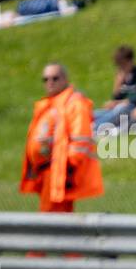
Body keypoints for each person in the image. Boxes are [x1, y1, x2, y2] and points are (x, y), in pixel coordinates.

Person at [22, 63, 103, 213]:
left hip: (59, 173)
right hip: (45, 173)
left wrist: (67, 168)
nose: (50, 82)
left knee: (52, 219)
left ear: (65, 79)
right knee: (48, 217)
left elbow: (81, 140)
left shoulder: (74, 103)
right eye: (45, 79)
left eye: (55, 78)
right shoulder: (50, 104)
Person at [92, 45, 136, 131]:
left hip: (133, 108)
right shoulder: (123, 77)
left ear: (131, 61)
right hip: (119, 107)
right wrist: (117, 84)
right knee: (94, 114)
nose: (121, 68)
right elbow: (116, 97)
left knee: (120, 111)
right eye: (119, 65)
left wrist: (120, 102)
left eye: (123, 65)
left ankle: (94, 128)